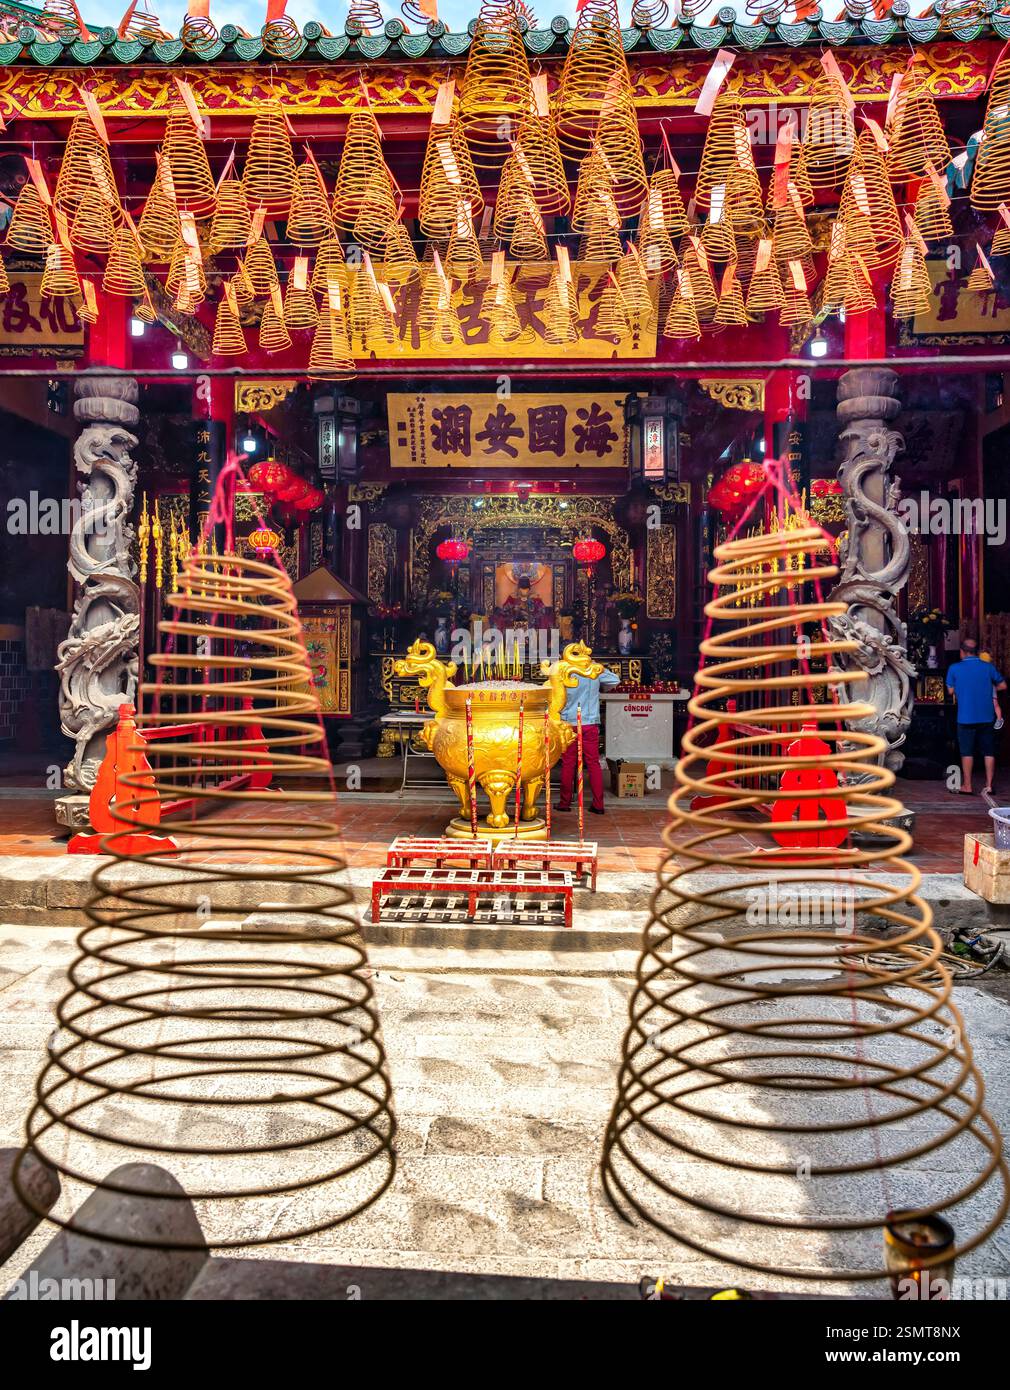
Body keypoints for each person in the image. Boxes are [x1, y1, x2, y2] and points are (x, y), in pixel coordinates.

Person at [556, 661, 619, 816]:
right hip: (589, 722)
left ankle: (565, 803)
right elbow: (615, 680)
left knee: (568, 763)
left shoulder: (564, 668)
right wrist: (598, 668)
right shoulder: (594, 669)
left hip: (569, 722)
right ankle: (598, 804)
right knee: (593, 763)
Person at [946, 638, 1006, 795]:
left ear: (963, 652)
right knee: (989, 751)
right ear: (976, 652)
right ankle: (989, 785)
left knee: (967, 752)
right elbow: (1003, 685)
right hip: (987, 717)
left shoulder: (954, 668)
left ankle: (967, 785)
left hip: (965, 717)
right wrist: (987, 688)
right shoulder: (988, 667)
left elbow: (950, 691)